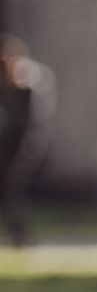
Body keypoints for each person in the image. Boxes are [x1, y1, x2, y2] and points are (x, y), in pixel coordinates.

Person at [0, 36, 55, 248]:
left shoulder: (32, 81)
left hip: (28, 145)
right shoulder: (5, 84)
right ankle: (17, 232)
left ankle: (20, 233)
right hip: (9, 143)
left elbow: (37, 117)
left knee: (14, 186)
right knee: (11, 188)